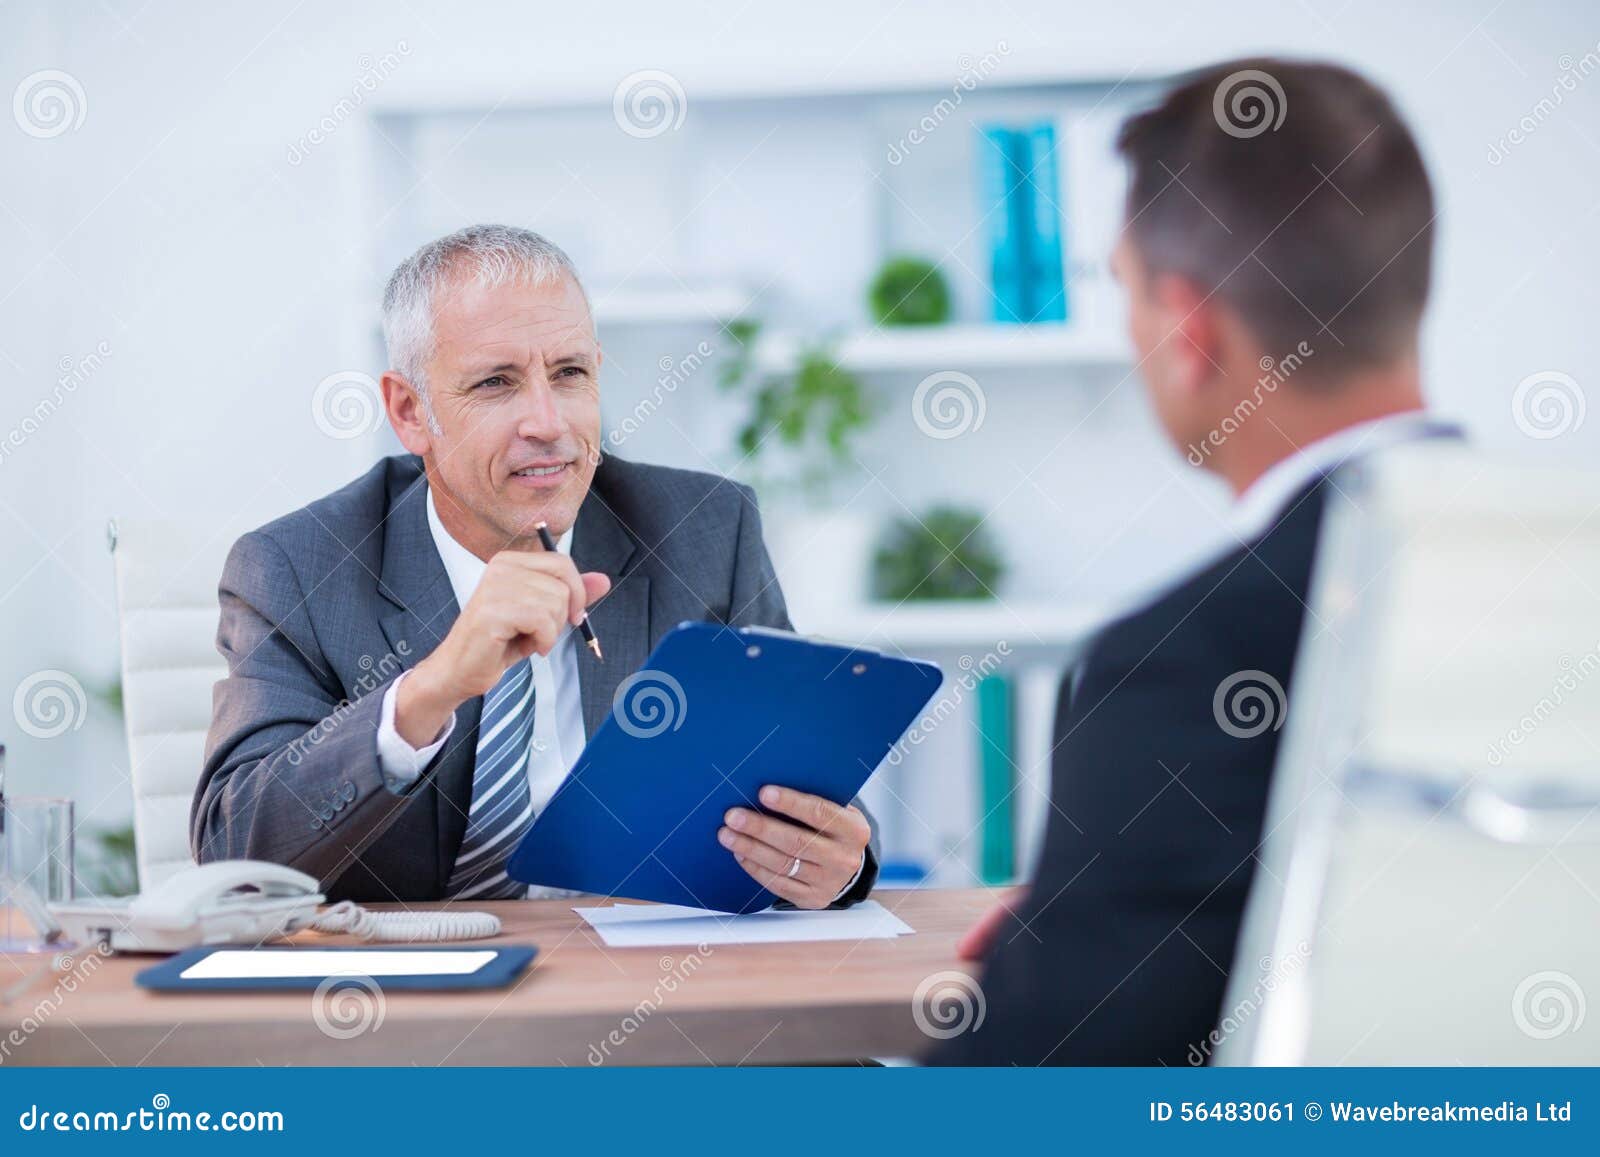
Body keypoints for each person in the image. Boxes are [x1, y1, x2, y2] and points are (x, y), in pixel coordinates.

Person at [931, 59, 1455, 1065]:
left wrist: (1038, 977)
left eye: (1125, 295)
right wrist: (1087, 926)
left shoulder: (1185, 661)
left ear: (1186, 332)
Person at [195, 225, 875, 906]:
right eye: (496, 383)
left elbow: (807, 778)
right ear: (410, 411)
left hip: (648, 972)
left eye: (570, 373)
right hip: (411, 992)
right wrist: (432, 687)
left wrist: (839, 863)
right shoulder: (295, 567)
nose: (548, 422)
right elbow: (237, 853)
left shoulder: (706, 530)